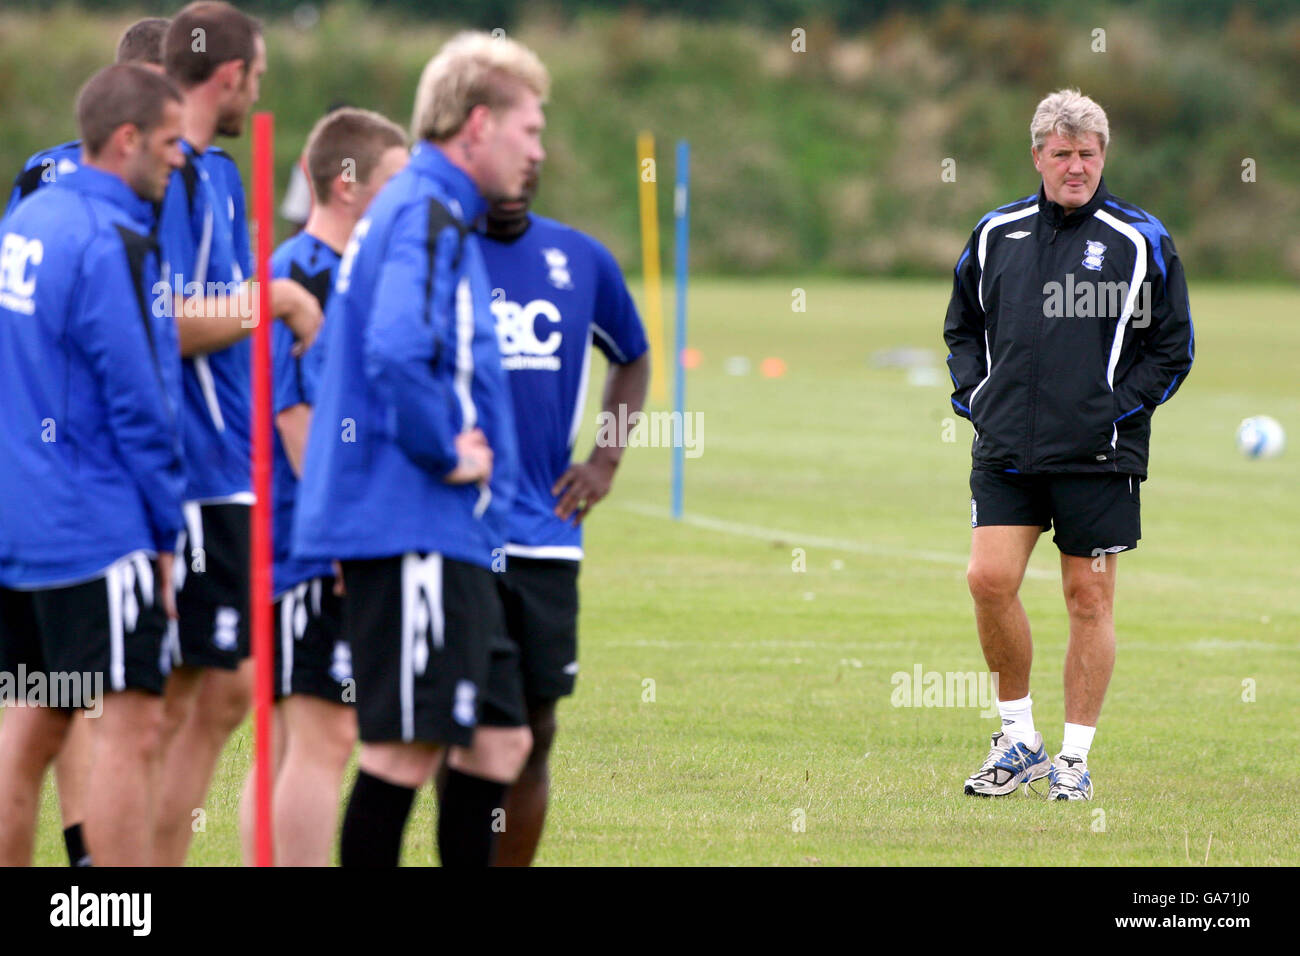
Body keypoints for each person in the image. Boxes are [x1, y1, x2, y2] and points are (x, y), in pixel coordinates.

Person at [293, 30, 547, 867]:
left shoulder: (426, 212)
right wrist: (445, 451)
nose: (537, 151)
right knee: (403, 753)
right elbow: (394, 352)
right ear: (478, 125)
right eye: (530, 129)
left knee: (499, 743)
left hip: (452, 532)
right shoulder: (426, 213)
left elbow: (338, 352)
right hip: (414, 525)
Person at [945, 88, 1194, 801]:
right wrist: (975, 396)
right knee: (987, 580)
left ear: (1103, 155)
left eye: (1087, 153)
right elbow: (962, 326)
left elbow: (1171, 347)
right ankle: (1019, 738)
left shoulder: (1139, 239)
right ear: (1038, 156)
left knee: (1088, 599)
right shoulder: (997, 232)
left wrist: (1110, 414)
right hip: (1006, 449)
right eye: (1062, 154)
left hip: (1099, 456)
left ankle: (1075, 759)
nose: (1076, 166)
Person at [0, 64, 186, 866]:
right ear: (127, 139)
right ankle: (115, 919)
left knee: (34, 725)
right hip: (94, 530)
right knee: (131, 727)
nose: (182, 160)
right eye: (173, 143)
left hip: (23, 527)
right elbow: (139, 403)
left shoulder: (27, 218)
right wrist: (171, 533)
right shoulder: (114, 242)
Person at [151, 1, 321, 866]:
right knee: (182, 698)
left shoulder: (215, 171)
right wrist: (281, 300)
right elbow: (172, 320)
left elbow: (218, 298)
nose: (261, 87)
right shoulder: (167, 168)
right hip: (189, 471)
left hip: (229, 468)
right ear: (233, 74)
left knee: (213, 696)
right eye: (259, 73)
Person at [235, 107, 408, 866]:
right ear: (346, 184)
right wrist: (344, 533)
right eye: (394, 184)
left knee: (284, 740)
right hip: (308, 547)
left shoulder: (347, 273)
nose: (407, 201)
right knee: (325, 733)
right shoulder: (297, 273)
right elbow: (295, 417)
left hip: (310, 540)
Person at [466, 168, 649, 865]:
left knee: (534, 731)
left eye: (532, 154)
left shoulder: (580, 258)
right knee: (452, 735)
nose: (519, 173)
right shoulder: (434, 252)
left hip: (545, 537)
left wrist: (604, 460)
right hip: (454, 535)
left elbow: (631, 356)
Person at [3, 17, 171, 220]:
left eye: (171, 91)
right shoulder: (46, 170)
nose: (159, 102)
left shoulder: (208, 171)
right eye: (147, 86)